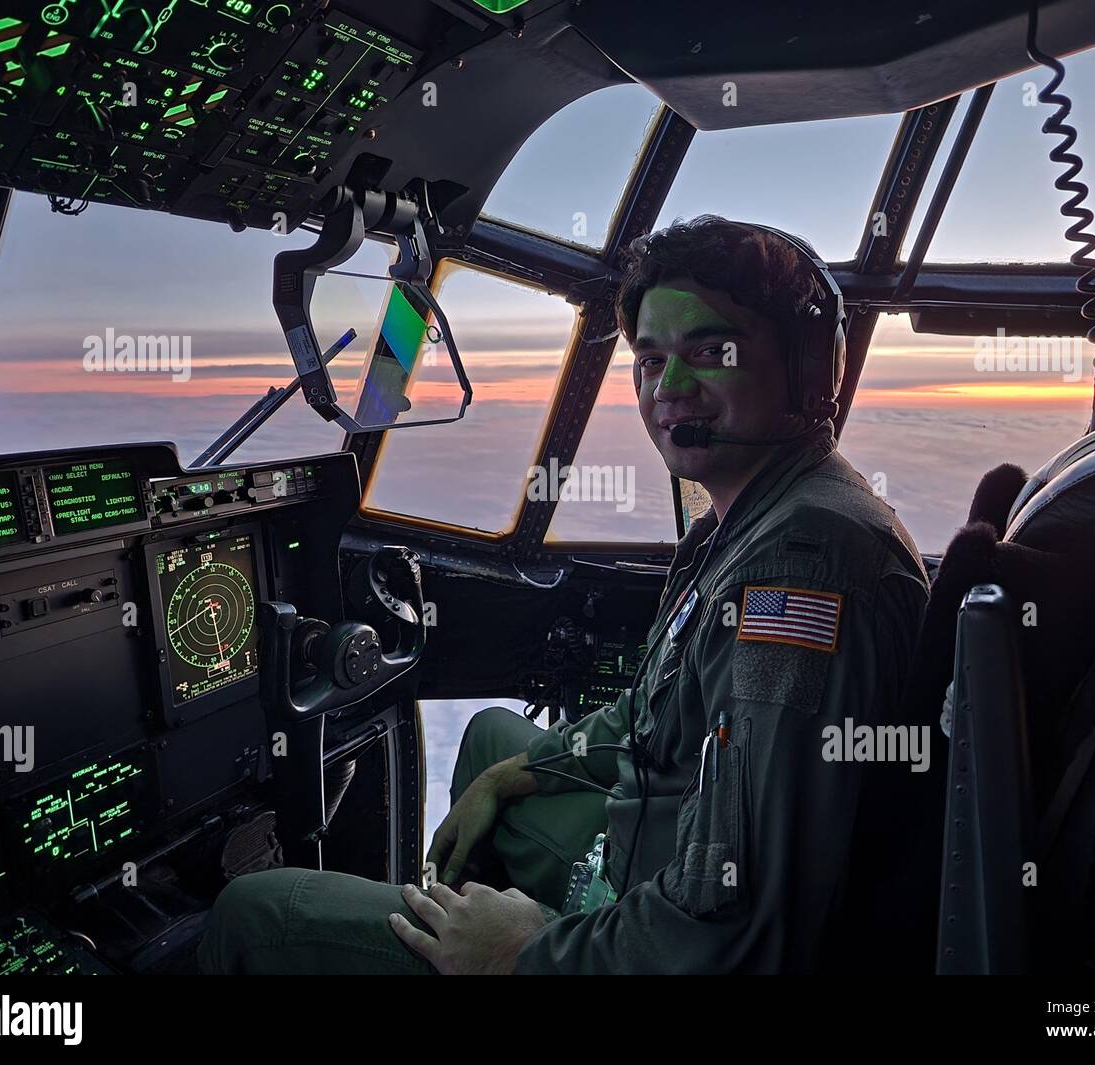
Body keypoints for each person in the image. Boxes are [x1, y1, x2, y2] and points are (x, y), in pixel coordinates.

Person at [198, 215, 933, 975]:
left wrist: (525, 951)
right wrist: (509, 774)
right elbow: (651, 719)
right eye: (651, 360)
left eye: (713, 352)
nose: (670, 390)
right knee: (491, 740)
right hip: (662, 849)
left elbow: (745, 931)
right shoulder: (750, 519)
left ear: (813, 370)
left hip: (678, 923)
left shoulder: (801, 568)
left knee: (254, 914)